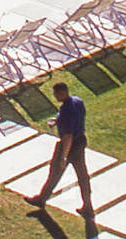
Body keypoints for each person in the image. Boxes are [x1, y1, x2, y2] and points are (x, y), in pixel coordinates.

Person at [25, 83, 93, 216]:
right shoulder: (77, 101)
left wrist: (63, 156)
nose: (54, 96)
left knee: (55, 172)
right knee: (82, 175)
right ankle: (88, 206)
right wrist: (57, 120)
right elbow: (76, 120)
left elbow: (68, 136)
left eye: (56, 94)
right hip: (80, 141)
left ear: (62, 93)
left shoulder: (67, 111)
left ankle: (41, 199)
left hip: (69, 146)